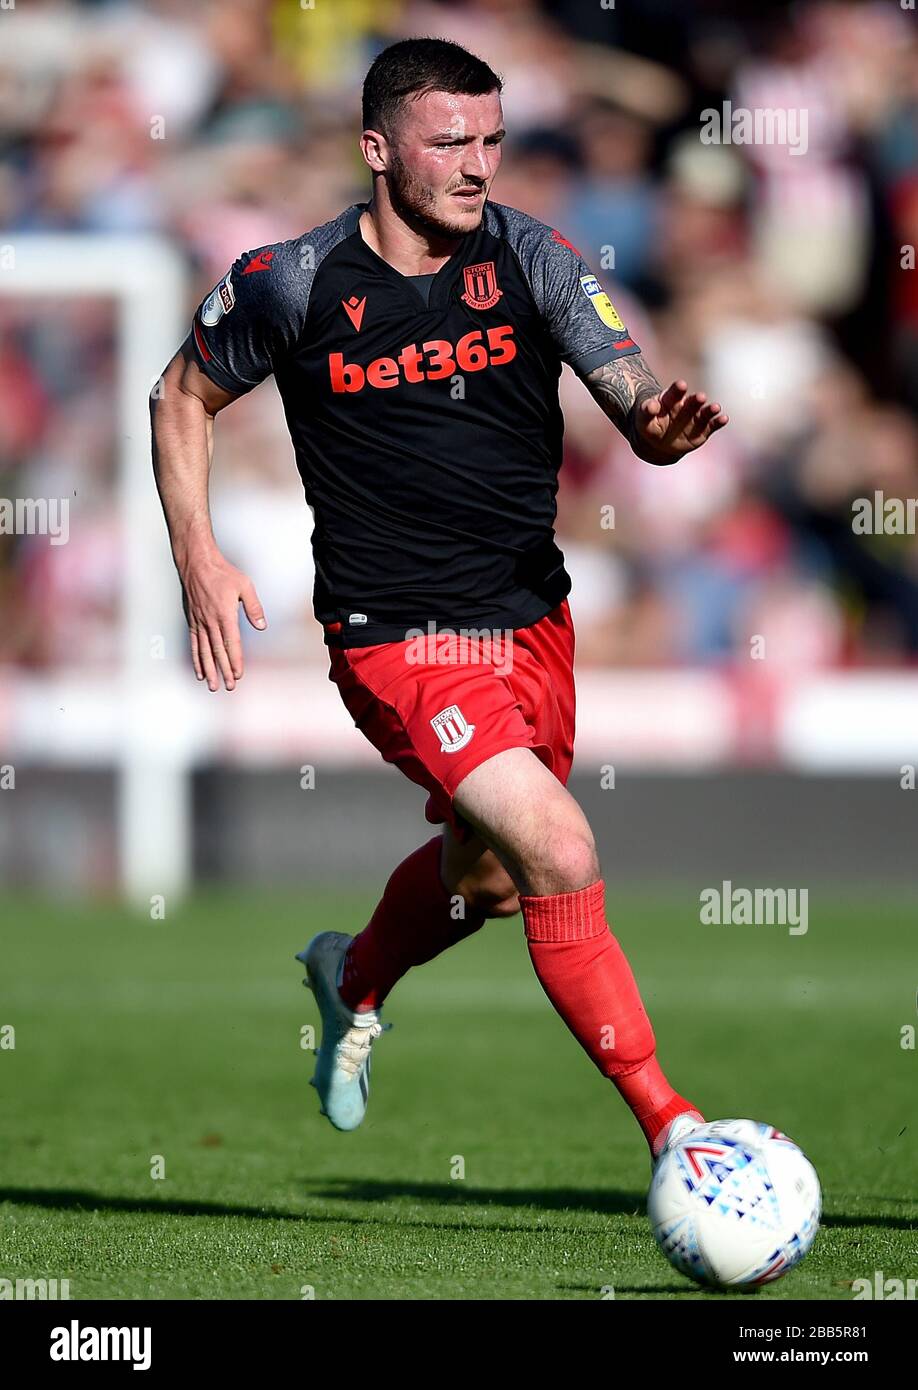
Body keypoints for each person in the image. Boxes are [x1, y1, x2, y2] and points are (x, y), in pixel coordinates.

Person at [150, 37, 728, 1161]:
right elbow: (181, 394)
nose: (478, 163)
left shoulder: (536, 258)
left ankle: (353, 974)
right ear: (376, 149)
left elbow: (636, 396)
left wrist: (657, 433)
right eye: (450, 141)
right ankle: (681, 1135)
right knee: (558, 845)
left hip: (530, 621)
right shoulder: (294, 281)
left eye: (494, 139)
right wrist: (200, 556)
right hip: (396, 637)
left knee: (497, 884)